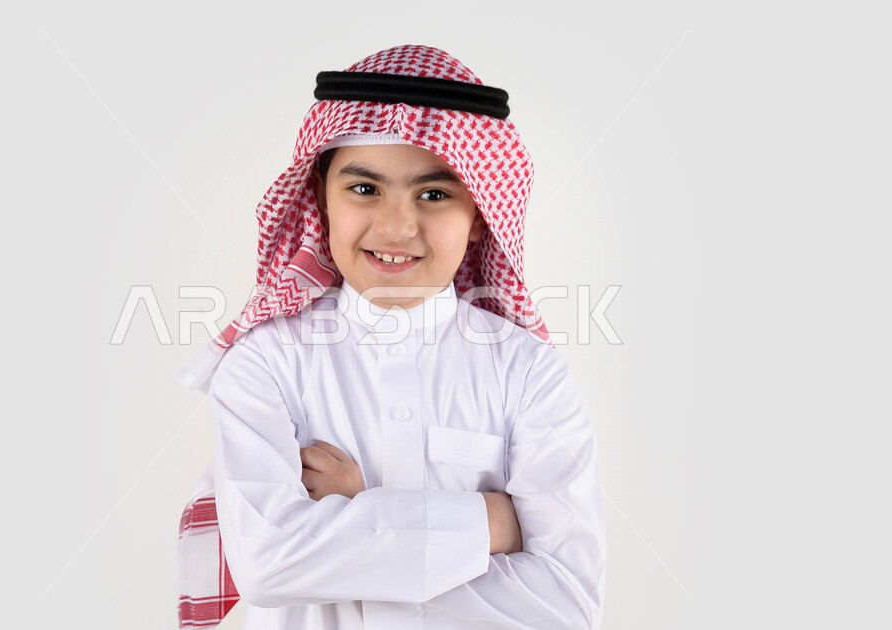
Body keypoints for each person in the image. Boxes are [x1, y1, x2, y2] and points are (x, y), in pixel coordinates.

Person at [177, 44, 605, 630]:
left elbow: (564, 604)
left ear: (479, 210)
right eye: (364, 189)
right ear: (321, 197)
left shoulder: (529, 373)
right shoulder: (265, 362)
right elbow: (268, 567)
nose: (397, 227)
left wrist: (353, 514)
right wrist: (489, 525)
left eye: (434, 194)